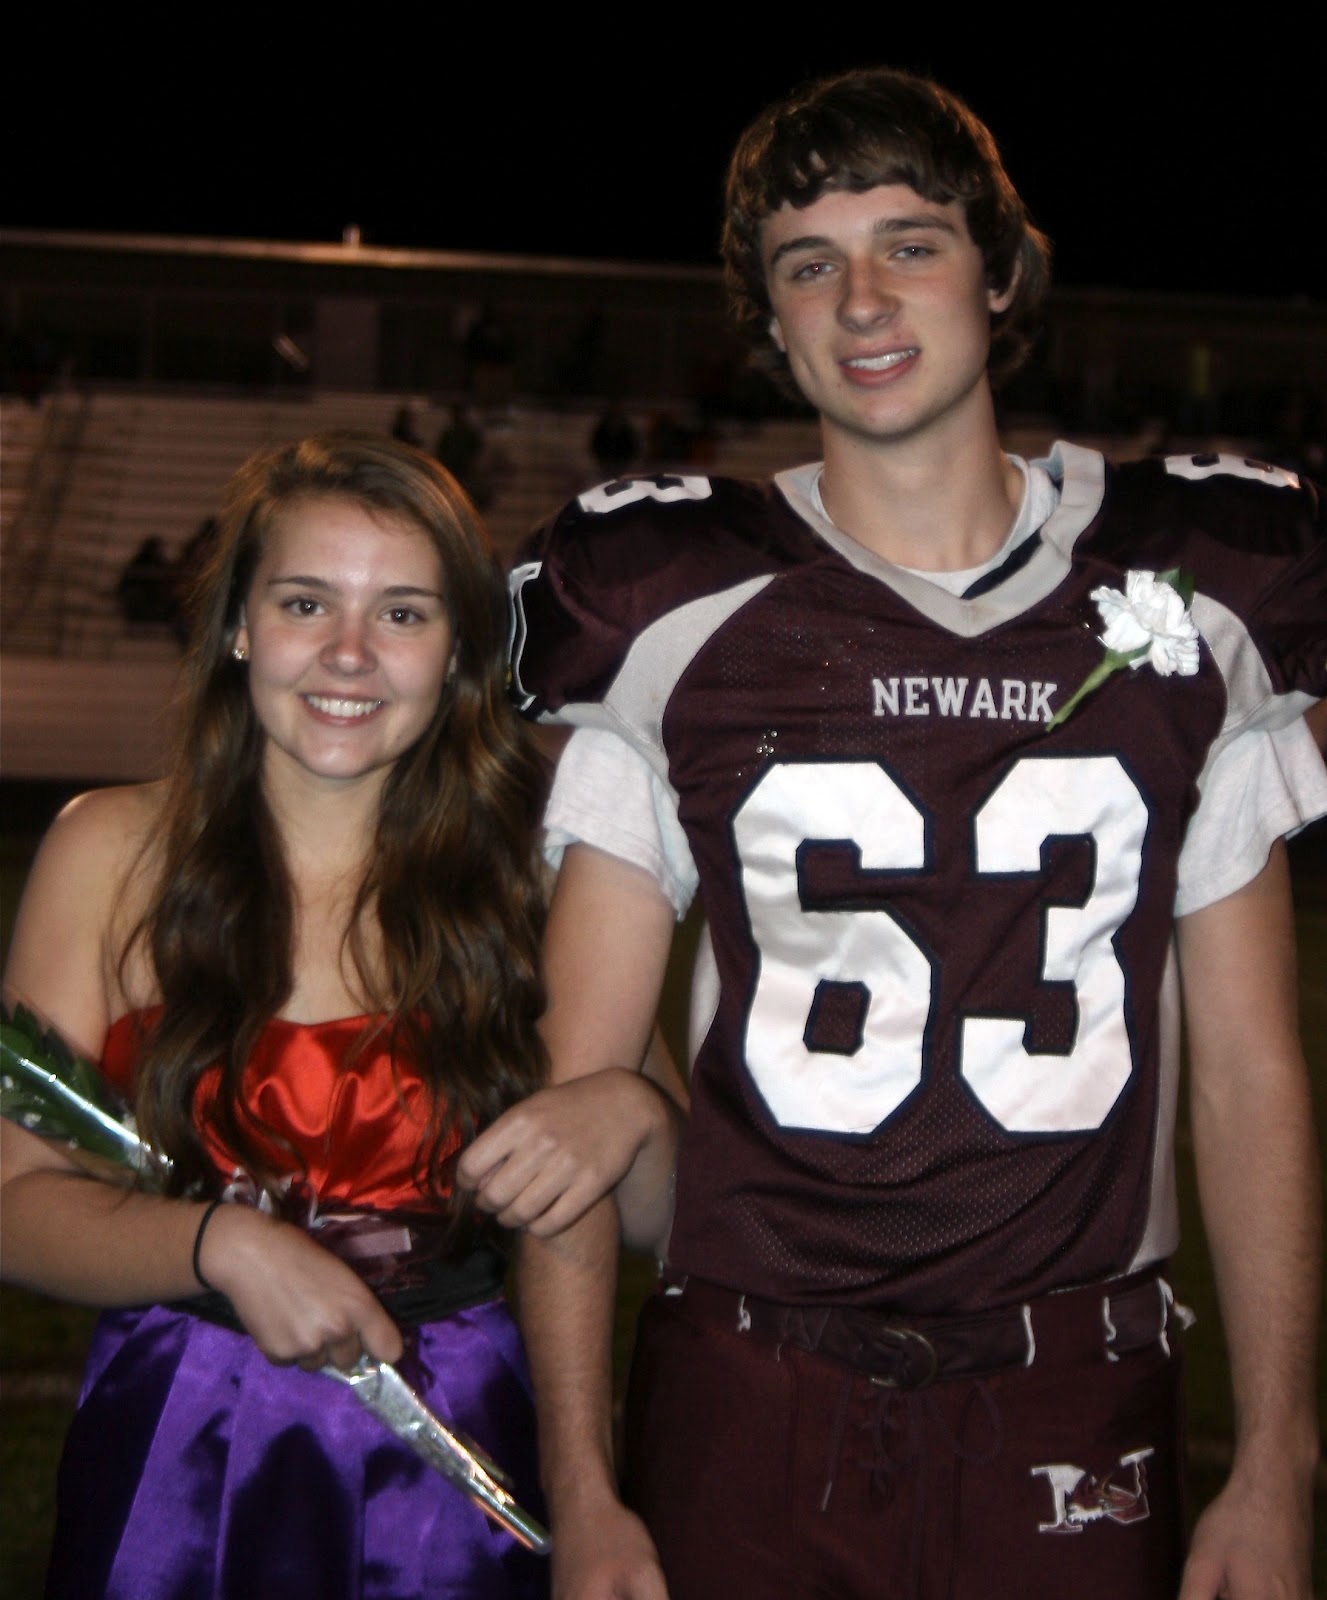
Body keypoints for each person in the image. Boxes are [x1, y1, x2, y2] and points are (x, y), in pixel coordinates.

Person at [491, 67, 1327, 1600]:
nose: (860, 298)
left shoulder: (1191, 595)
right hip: (749, 1382)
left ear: (999, 270)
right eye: (807, 264)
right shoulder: (673, 607)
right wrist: (582, 1488)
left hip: (1075, 1372)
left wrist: (1274, 1458)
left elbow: (1252, 1066)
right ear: (767, 316)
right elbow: (574, 1100)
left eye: (909, 243)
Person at [1, 433, 555, 1599]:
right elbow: (10, 1204)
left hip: (457, 1444)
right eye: (306, 601)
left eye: (403, 613)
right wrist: (219, 1244)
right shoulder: (107, 853)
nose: (348, 653)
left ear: (457, 648)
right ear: (241, 624)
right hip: (181, 1442)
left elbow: (646, 1204)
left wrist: (629, 1118)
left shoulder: (534, 873)